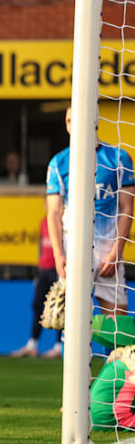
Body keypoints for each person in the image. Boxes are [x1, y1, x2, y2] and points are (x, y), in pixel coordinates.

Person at [47, 106, 134, 322]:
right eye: (68, 121)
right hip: (74, 254)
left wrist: (117, 251)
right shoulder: (59, 163)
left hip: (108, 253)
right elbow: (54, 213)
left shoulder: (119, 158)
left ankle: (112, 358)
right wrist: (59, 255)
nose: (72, 125)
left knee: (117, 327)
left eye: (75, 119)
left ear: (93, 121)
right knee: (70, 324)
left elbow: (127, 208)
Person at [12, 212, 63, 358]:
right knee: (37, 305)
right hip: (44, 270)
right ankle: (32, 344)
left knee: (59, 308)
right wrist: (39, 269)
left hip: (57, 269)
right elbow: (42, 247)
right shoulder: (43, 222)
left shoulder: (64, 222)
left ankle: (59, 346)